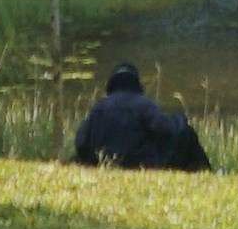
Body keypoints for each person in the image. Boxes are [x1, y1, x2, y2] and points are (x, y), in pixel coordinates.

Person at [70, 60, 211, 171]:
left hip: (104, 163)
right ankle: (204, 173)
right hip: (142, 165)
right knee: (186, 133)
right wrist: (180, 119)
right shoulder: (144, 104)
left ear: (111, 85)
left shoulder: (98, 108)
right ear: (136, 83)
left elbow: (80, 142)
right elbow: (165, 129)